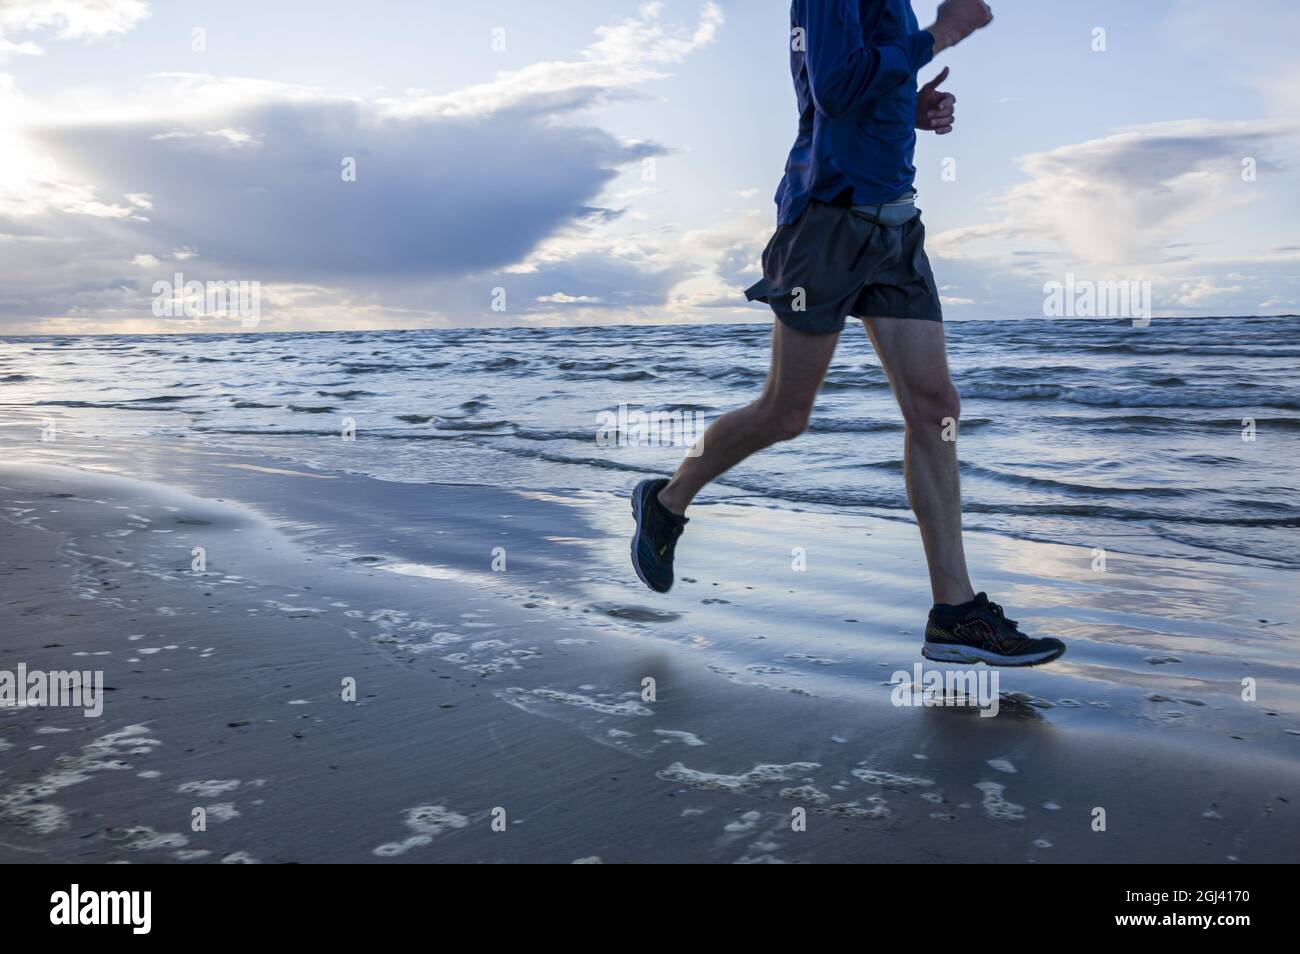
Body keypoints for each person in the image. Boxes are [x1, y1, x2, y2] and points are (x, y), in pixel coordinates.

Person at [630, 0, 1065, 667]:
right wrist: (941, 36)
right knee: (785, 412)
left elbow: (855, 83)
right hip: (827, 224)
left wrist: (906, 108)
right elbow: (832, 88)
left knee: (935, 407)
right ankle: (666, 501)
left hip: (897, 226)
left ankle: (954, 612)